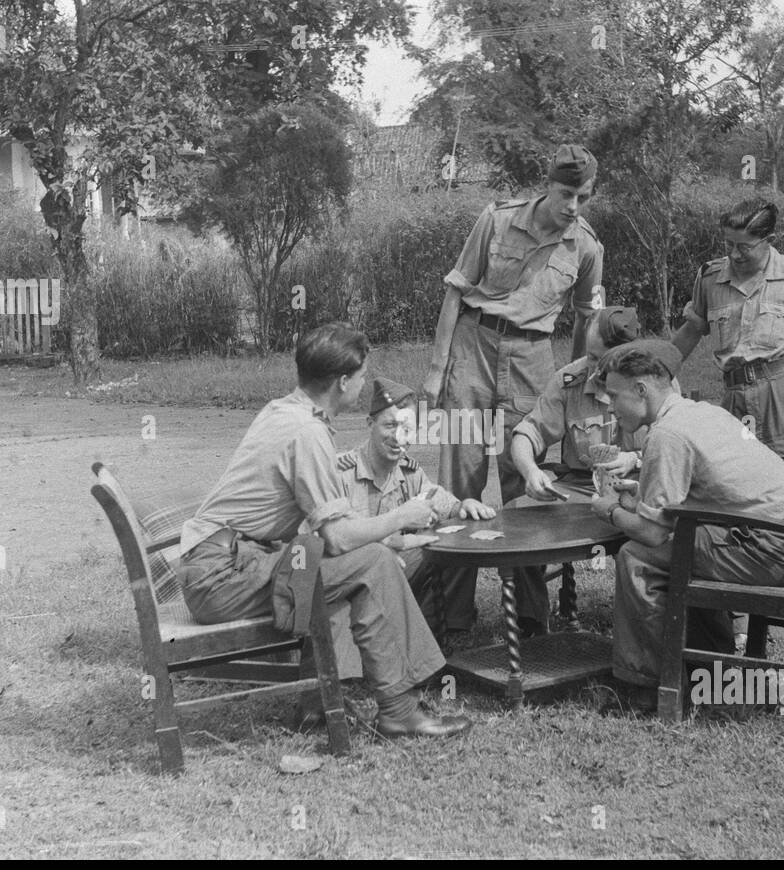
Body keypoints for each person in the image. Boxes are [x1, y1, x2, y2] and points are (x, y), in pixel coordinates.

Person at [175, 323, 471, 739]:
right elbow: (340, 538)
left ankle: (317, 705)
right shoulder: (307, 433)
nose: (364, 382)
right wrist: (404, 516)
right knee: (374, 562)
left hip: (228, 564)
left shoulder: (283, 410)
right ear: (342, 382)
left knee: (339, 566)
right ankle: (399, 709)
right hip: (223, 577)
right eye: (362, 376)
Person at [419, 143, 606, 638]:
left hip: (533, 361)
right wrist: (438, 371)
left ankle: (531, 618)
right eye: (566, 194)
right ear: (548, 185)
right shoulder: (496, 220)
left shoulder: (586, 247)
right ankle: (451, 614)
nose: (573, 206)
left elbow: (589, 318)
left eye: (583, 197)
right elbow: (456, 290)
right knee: (460, 480)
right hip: (473, 353)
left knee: (527, 485)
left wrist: (575, 383)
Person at [590, 340, 784, 714]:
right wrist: (642, 493)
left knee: (639, 557)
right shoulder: (702, 413)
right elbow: (716, 489)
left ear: (642, 390)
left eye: (615, 395)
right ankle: (710, 672)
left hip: (780, 549)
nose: (610, 406)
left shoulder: (668, 435)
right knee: (686, 546)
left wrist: (607, 510)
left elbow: (652, 533)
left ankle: (649, 690)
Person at [669, 198, 784, 482]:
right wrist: (654, 370)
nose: (734, 254)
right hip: (734, 398)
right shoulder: (709, 278)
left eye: (744, 246)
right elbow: (691, 330)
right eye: (728, 245)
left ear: (769, 240)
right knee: (737, 490)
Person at [328, 377, 497, 678]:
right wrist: (385, 547)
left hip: (389, 569)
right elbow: (334, 542)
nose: (398, 437)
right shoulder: (342, 473)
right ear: (370, 423)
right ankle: (356, 669)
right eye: (390, 426)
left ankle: (428, 636)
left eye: (407, 428)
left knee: (444, 549)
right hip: (350, 576)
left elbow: (437, 499)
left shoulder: (408, 470)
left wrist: (462, 506)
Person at [512, 305, 678, 500]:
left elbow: (676, 451)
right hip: (582, 487)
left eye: (599, 359)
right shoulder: (568, 381)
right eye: (590, 355)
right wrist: (531, 471)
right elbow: (528, 433)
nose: (592, 366)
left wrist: (636, 459)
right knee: (520, 511)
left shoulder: (658, 381)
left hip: (642, 486)